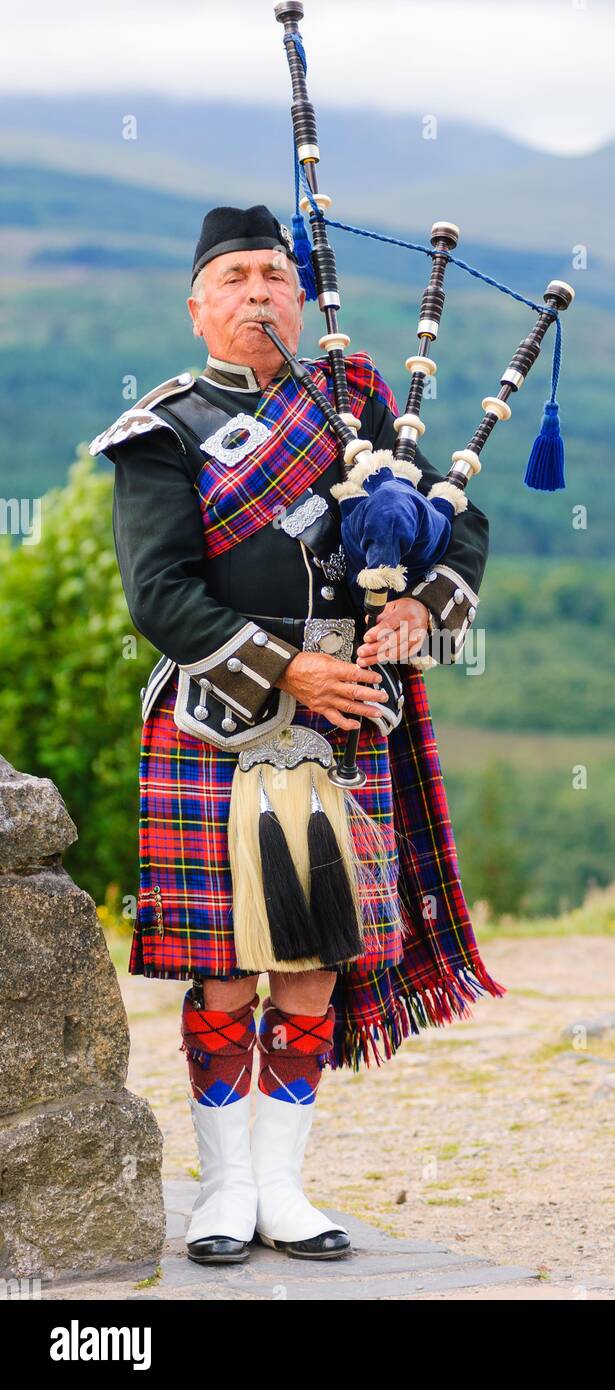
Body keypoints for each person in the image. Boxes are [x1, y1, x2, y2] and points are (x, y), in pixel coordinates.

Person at [90, 205, 504, 1266]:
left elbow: (455, 521)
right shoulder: (163, 432)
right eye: (232, 278)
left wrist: (424, 605)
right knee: (225, 971)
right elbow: (163, 596)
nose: (258, 293)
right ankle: (224, 1187)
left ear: (301, 294)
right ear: (197, 311)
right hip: (216, 723)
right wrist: (287, 667)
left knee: (315, 964)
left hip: (345, 724)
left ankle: (285, 1185)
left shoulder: (356, 404)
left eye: (273, 273)